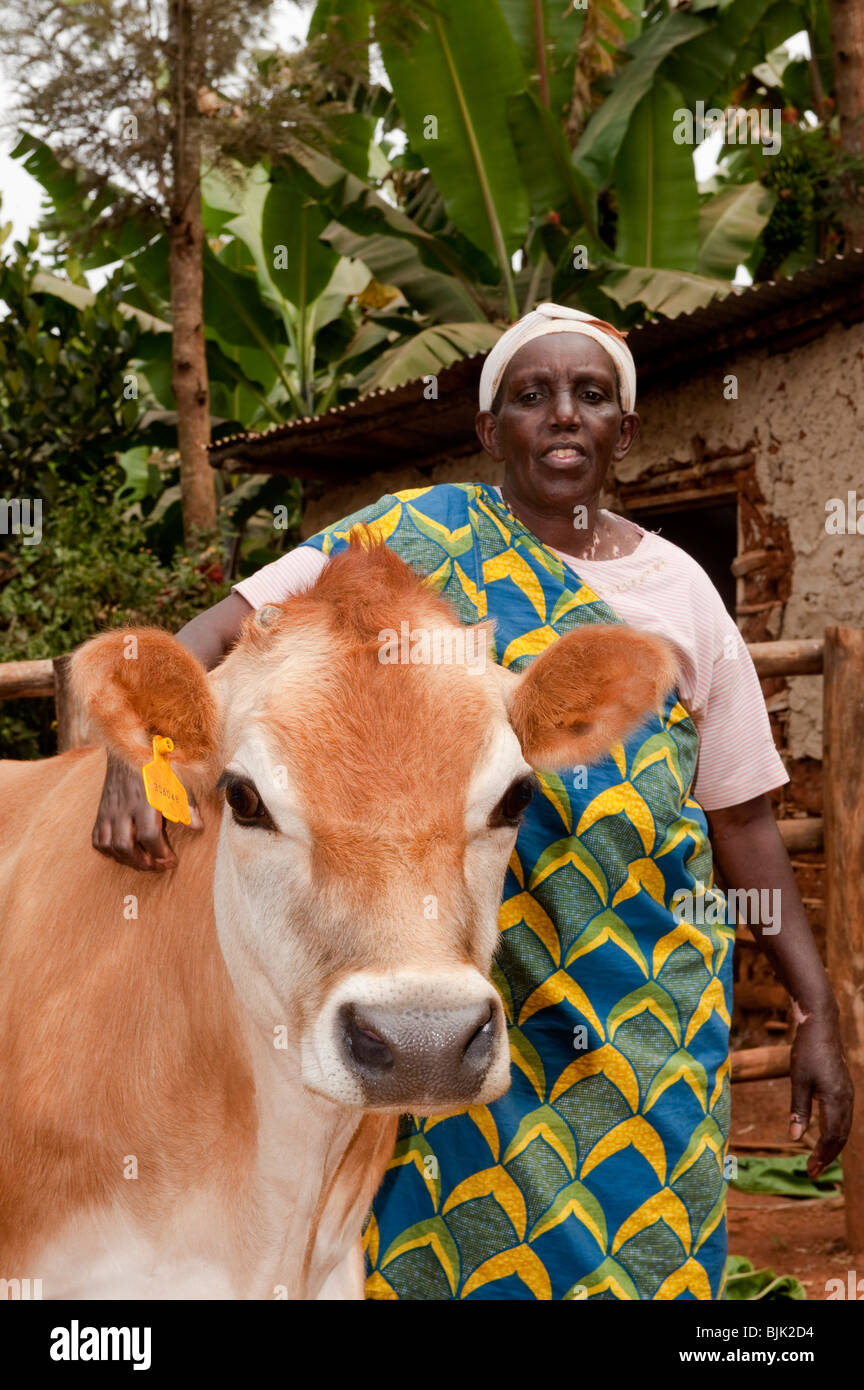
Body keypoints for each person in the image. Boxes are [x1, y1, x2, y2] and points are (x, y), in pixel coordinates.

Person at [92, 302, 852, 1301]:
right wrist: (127, 759)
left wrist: (814, 1009)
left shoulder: (684, 597)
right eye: (531, 396)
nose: (563, 415)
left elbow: (744, 818)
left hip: (646, 1021)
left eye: (591, 395)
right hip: (467, 988)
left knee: (655, 1266)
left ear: (625, 432)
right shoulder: (411, 536)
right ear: (488, 431)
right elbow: (212, 634)